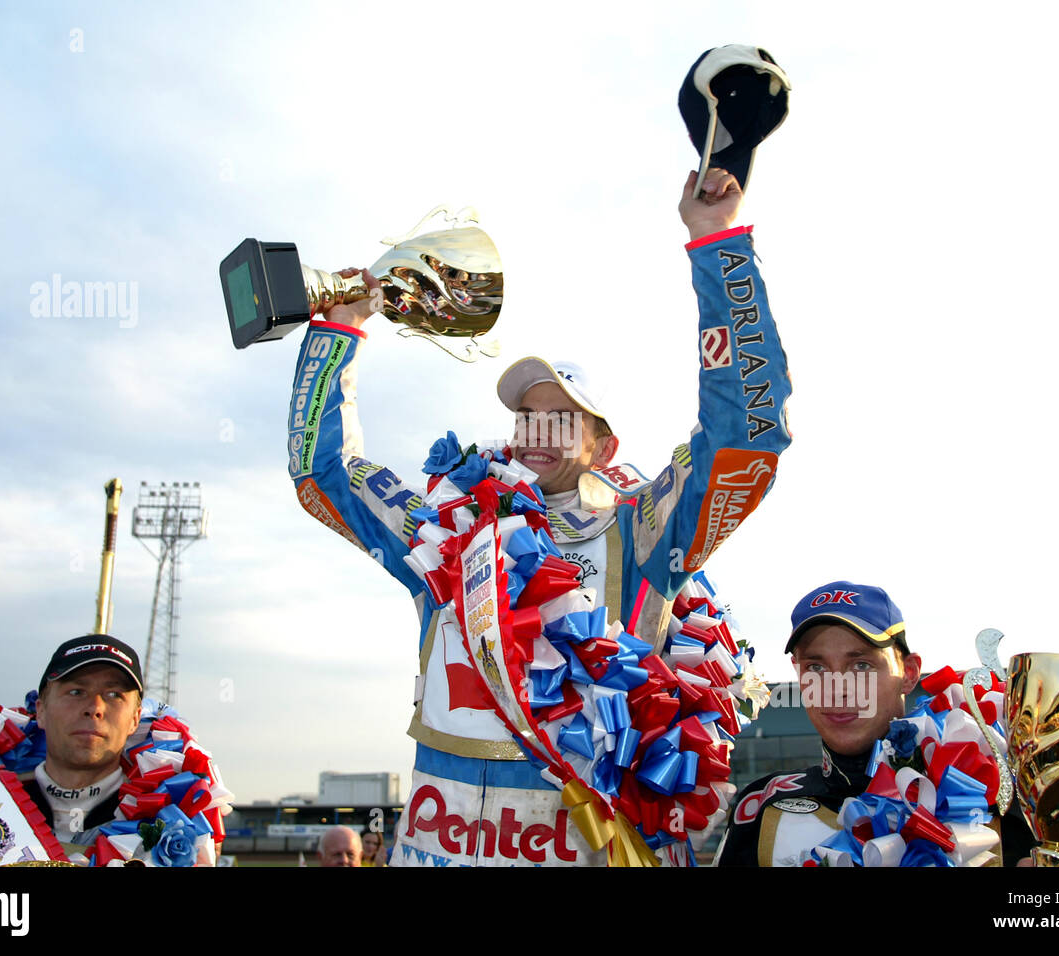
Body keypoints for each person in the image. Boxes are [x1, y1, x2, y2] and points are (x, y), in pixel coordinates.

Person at [286, 166, 792, 865]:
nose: (539, 432)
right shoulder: (447, 533)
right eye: (528, 415)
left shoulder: (645, 530)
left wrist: (717, 244)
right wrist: (339, 332)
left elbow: (745, 438)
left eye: (564, 418)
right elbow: (324, 475)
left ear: (603, 444)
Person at [714, 581, 1035, 866]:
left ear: (909, 673)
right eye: (817, 667)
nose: (837, 689)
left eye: (862, 664)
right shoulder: (762, 807)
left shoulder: (994, 797)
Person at [21, 635, 145, 857]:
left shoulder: (166, 823)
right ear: (41, 711)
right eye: (76, 692)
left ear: (135, 719)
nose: (95, 707)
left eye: (114, 695)